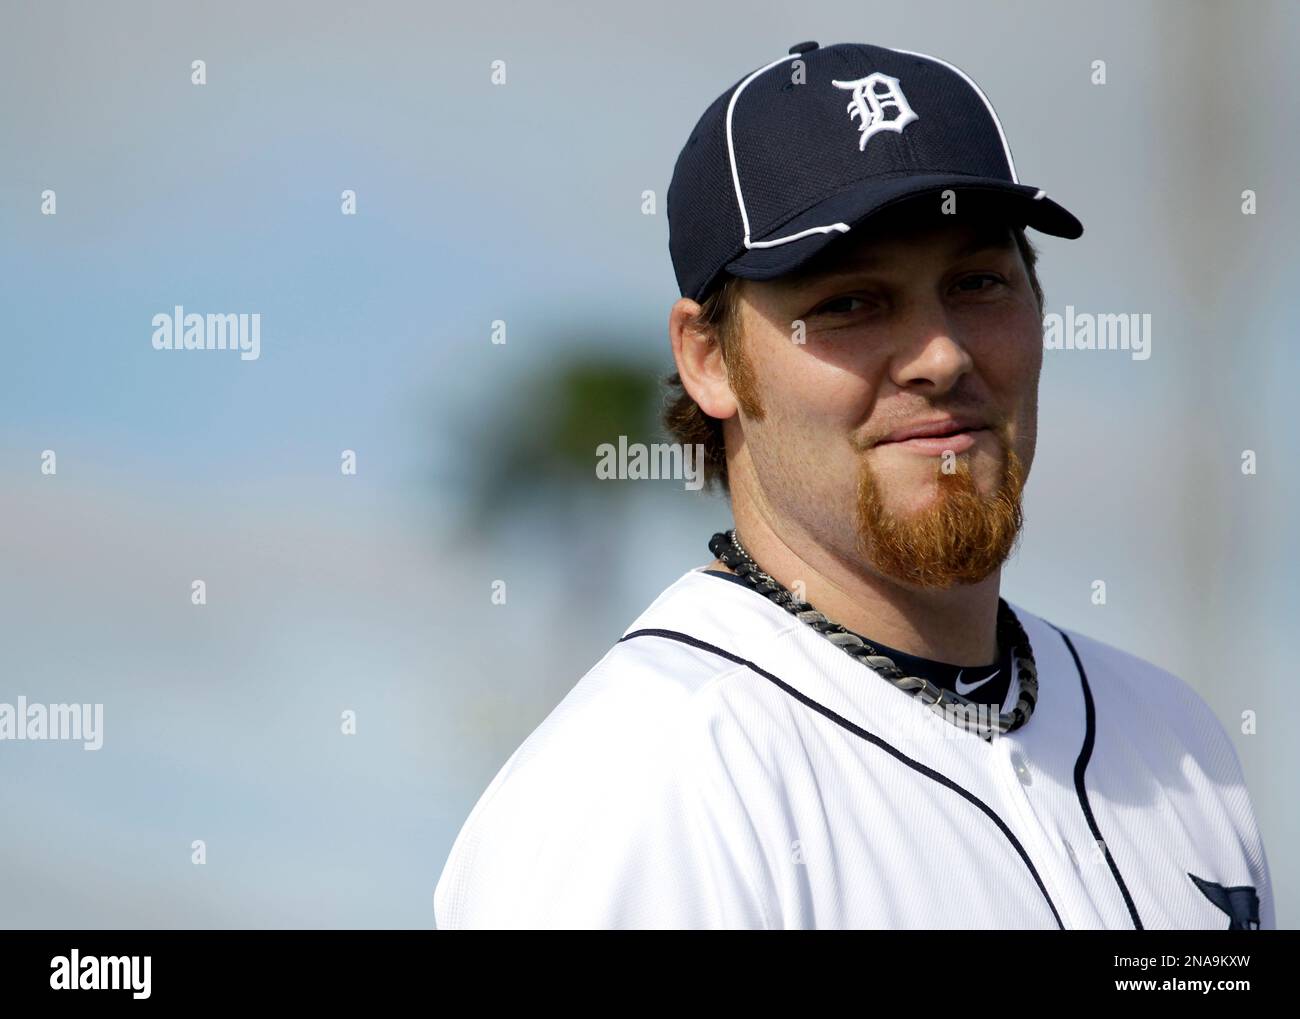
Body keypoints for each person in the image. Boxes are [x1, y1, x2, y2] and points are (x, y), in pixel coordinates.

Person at [433, 40, 1273, 929]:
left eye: (979, 282)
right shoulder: (638, 786)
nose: (943, 356)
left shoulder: (1178, 745)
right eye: (849, 303)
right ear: (709, 359)